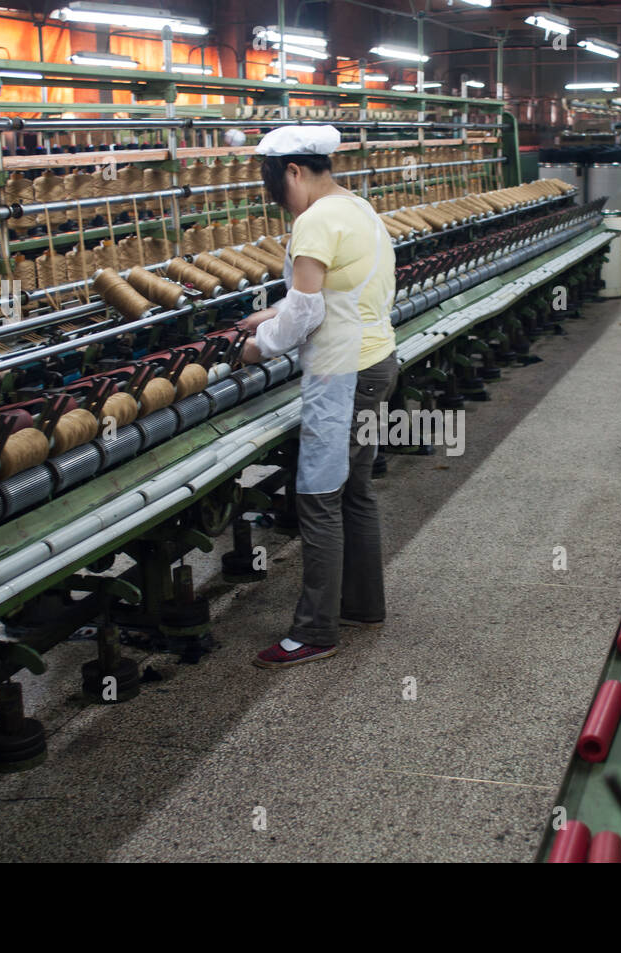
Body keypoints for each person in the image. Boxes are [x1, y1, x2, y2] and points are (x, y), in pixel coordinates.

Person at [236, 125, 399, 669]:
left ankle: (314, 632)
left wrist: (260, 344)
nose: (279, 202)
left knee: (318, 498)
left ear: (292, 172)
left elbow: (307, 312)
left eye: (274, 187)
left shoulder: (314, 220)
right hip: (377, 362)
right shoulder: (358, 209)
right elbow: (332, 291)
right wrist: (272, 312)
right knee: (355, 492)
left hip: (341, 374)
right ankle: (363, 607)